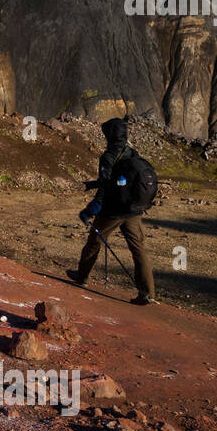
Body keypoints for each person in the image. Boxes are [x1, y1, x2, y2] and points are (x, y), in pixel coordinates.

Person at [67, 117, 155, 305]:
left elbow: (106, 187)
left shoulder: (108, 156)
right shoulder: (133, 153)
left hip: (113, 211)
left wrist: (90, 210)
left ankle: (82, 277)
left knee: (93, 242)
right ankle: (147, 292)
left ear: (109, 135)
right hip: (133, 211)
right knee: (138, 250)